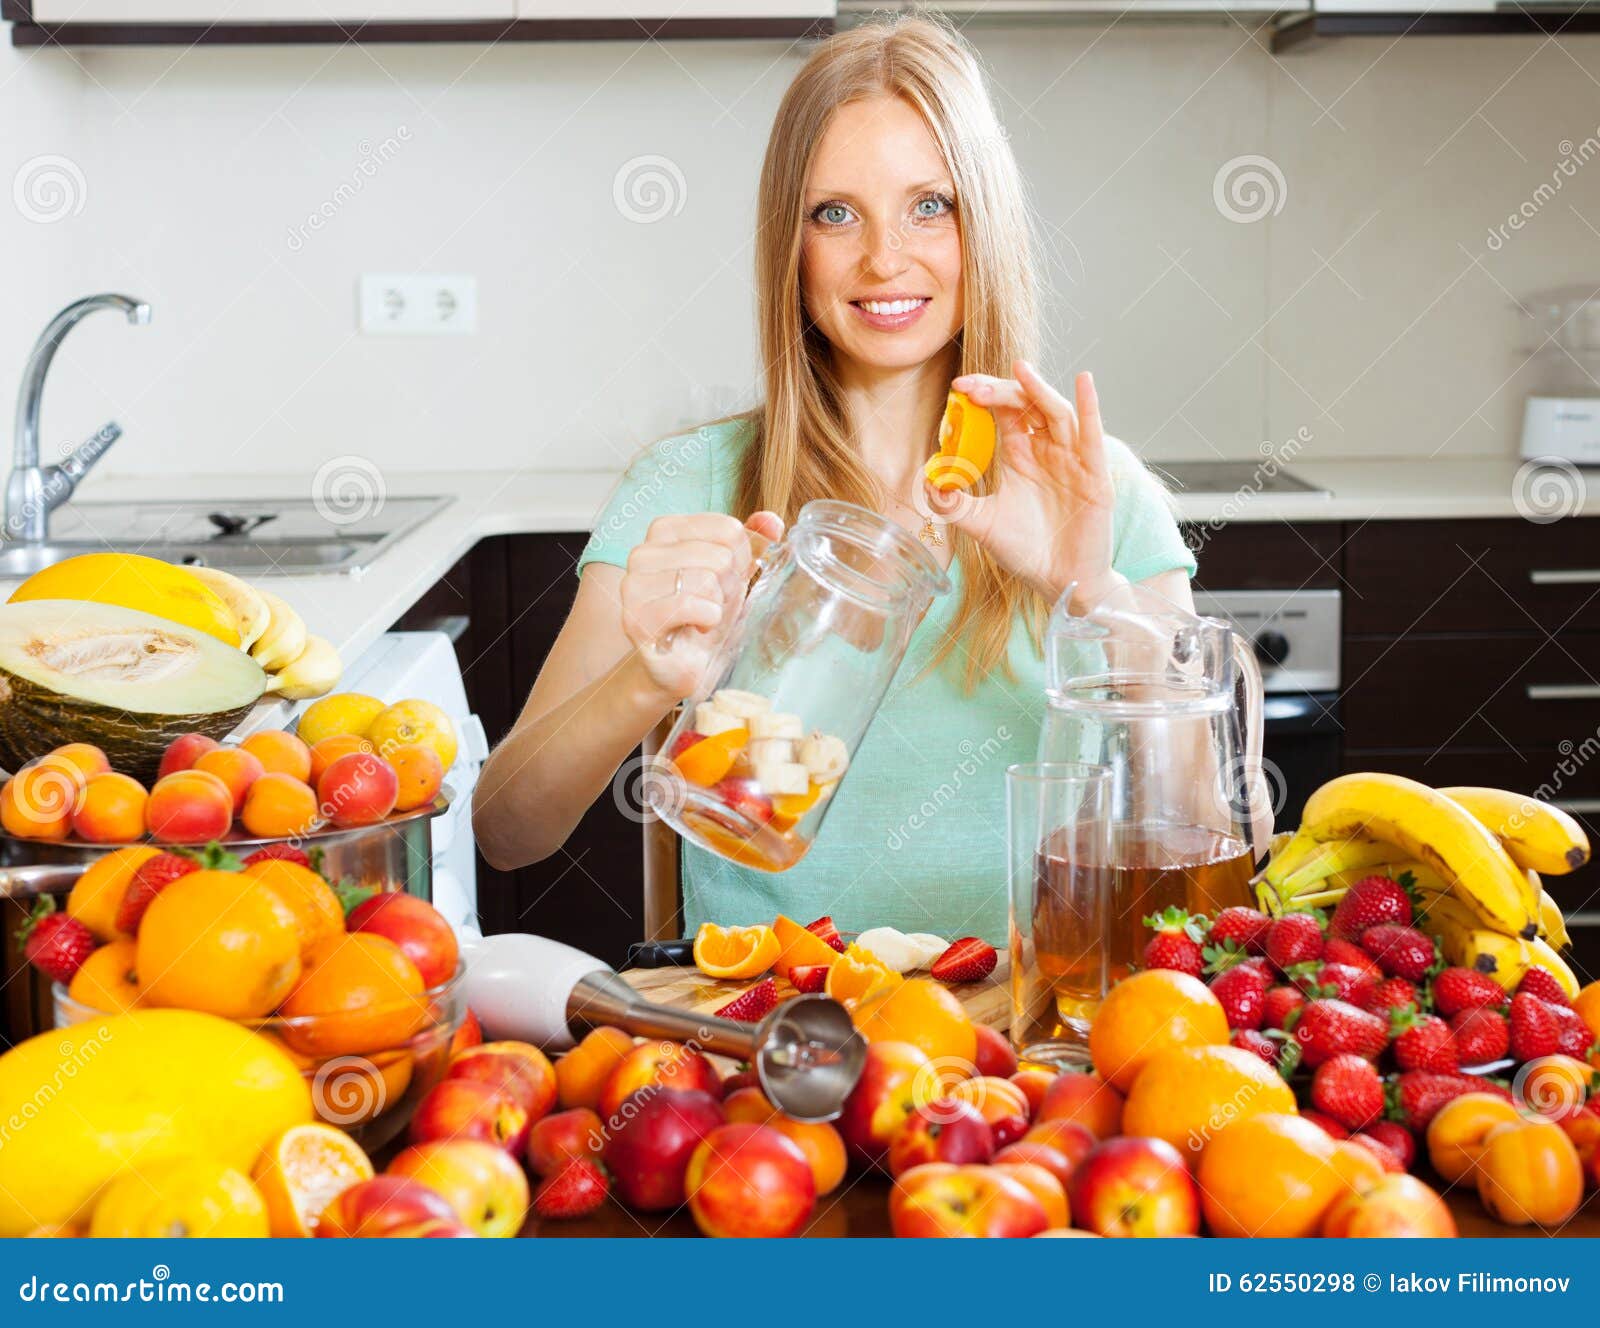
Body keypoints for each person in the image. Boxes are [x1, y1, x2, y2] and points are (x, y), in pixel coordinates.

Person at [473, 14, 1196, 944]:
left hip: (1033, 1046)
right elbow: (505, 833)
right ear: (792, 244)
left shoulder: (1094, 491)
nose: (885, 258)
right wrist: (650, 682)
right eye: (835, 213)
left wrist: (1093, 595)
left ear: (986, 225)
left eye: (931, 205)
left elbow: (1214, 840)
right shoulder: (689, 482)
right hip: (776, 1033)